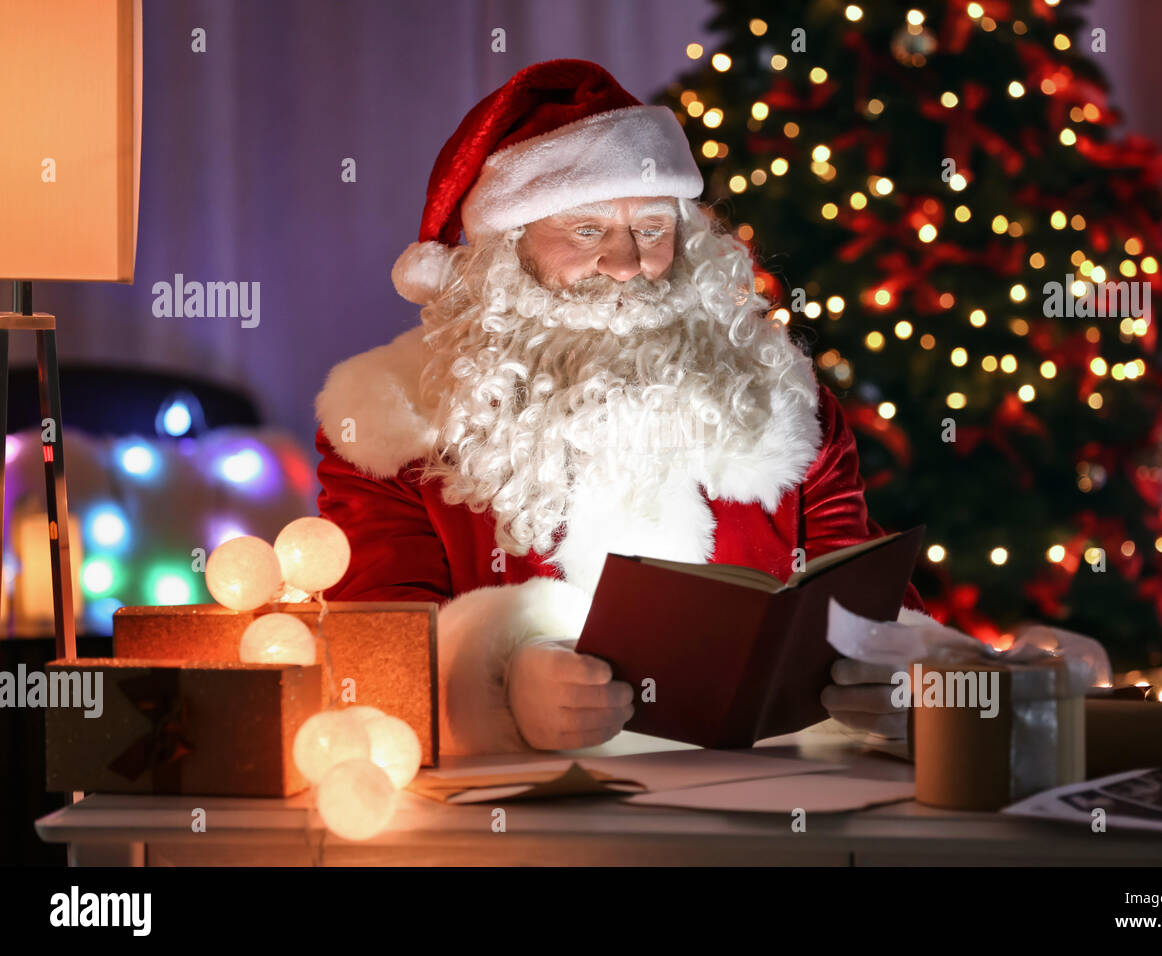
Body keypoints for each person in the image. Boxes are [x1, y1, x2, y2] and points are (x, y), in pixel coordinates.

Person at [315, 59, 939, 756]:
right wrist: (499, 685)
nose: (626, 263)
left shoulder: (785, 407)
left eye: (650, 229)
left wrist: (903, 682)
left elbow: (863, 599)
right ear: (507, 250)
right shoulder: (392, 424)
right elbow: (375, 654)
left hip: (759, 811)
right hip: (526, 832)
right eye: (585, 231)